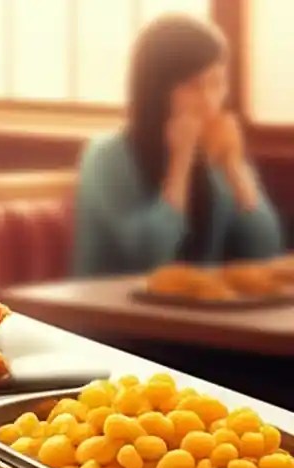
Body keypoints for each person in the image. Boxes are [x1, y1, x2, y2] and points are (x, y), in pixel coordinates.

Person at [73, 14, 283, 277]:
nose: (208, 101)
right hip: (109, 311)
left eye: (216, 84)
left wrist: (236, 171)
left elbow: (266, 251)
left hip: (193, 312)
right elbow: (147, 259)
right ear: (157, 89)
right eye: (193, 86)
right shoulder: (106, 157)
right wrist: (180, 163)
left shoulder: (214, 154)